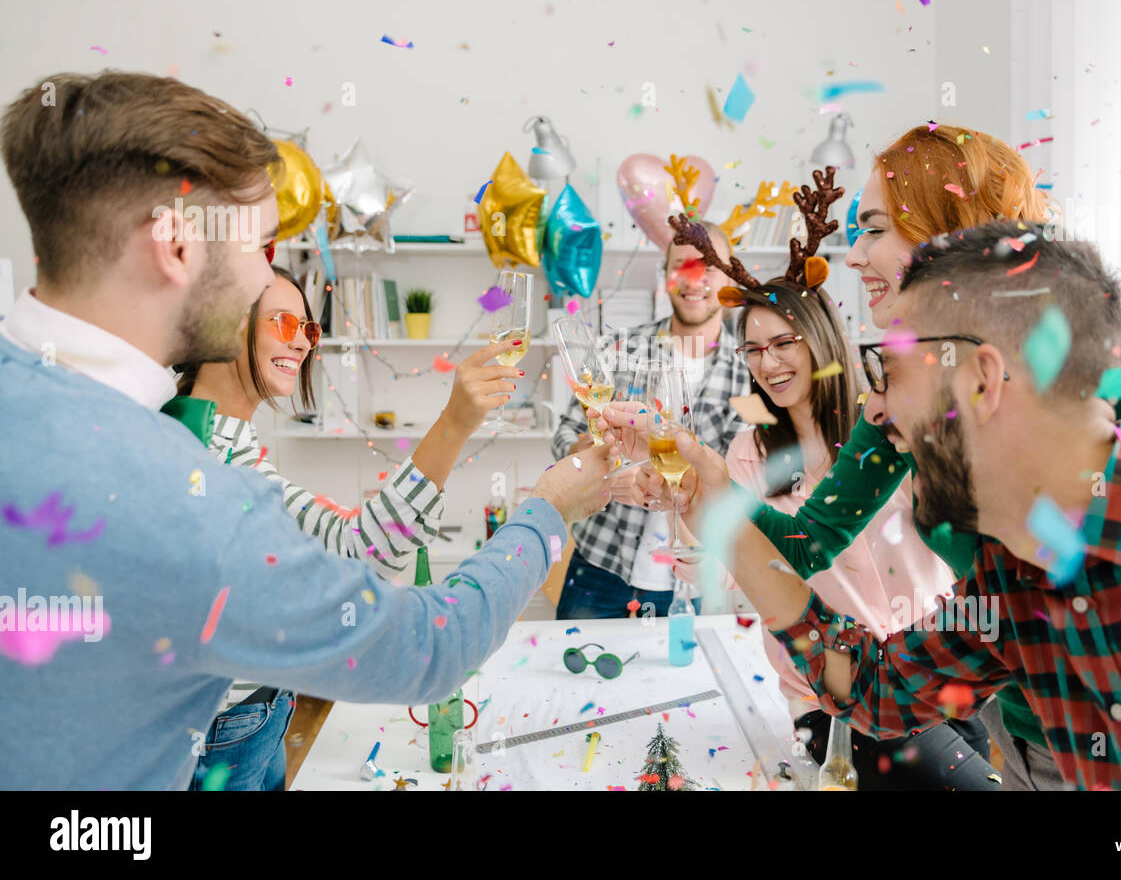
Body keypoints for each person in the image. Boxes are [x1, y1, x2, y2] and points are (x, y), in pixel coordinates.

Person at [627, 123, 1121, 790]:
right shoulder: (1006, 586)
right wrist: (714, 498)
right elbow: (867, 665)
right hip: (1037, 723)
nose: (855, 255)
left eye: (875, 227)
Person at [0, 70, 612, 789]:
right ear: (173, 245)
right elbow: (426, 645)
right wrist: (550, 510)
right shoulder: (190, 496)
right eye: (258, 248)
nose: (265, 277)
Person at [163, 265, 521, 789]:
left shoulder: (219, 437)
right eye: (283, 323)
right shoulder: (205, 454)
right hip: (223, 729)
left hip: (255, 710)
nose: (303, 343)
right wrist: (453, 423)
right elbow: (364, 554)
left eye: (308, 330)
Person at [702, 271, 997, 789]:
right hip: (842, 693)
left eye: (783, 343)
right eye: (752, 349)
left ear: (821, 338)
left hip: (935, 666)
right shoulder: (751, 451)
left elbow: (957, 530)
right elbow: (744, 566)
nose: (767, 363)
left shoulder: (890, 423)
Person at [551, 221, 750, 619]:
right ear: (665, 276)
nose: (694, 278)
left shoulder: (749, 370)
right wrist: (604, 461)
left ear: (730, 275)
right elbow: (565, 436)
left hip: (689, 581)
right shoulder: (619, 348)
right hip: (598, 570)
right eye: (682, 265)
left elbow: (741, 483)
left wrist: (675, 484)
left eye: (708, 266)